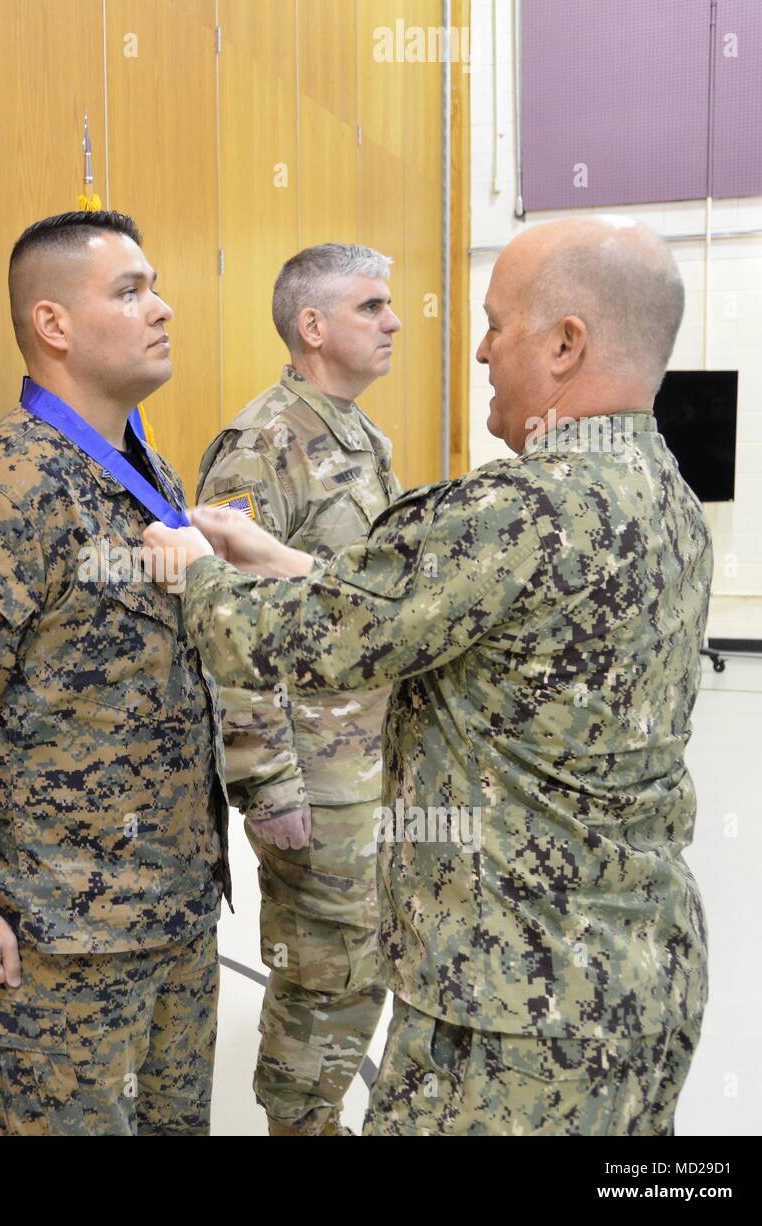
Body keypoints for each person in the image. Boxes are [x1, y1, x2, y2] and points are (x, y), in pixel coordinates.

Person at [147, 216, 710, 1136]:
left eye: (497, 325)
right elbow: (434, 607)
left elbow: (328, 633)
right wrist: (276, 561)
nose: (479, 350)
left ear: (568, 345)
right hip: (639, 964)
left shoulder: (519, 504)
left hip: (512, 1002)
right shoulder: (663, 492)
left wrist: (198, 569)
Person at [0, 210, 229, 1136]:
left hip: (174, 917)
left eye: (155, 287)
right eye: (131, 291)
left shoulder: (147, 471)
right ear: (53, 324)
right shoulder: (1, 493)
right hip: (59, 949)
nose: (164, 308)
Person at [195, 243, 402, 1135]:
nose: (394, 322)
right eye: (372, 307)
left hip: (371, 766)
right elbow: (226, 626)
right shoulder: (261, 445)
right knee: (324, 969)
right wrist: (265, 781)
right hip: (314, 778)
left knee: (364, 959)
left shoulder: (363, 436)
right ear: (312, 327)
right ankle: (300, 1125)